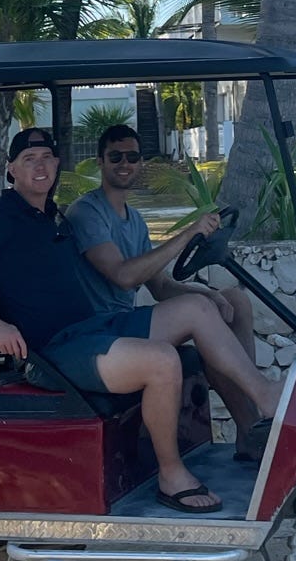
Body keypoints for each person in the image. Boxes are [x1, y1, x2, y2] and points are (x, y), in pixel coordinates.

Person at [0, 127, 279, 516]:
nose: (40, 166)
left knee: (200, 310)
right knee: (161, 360)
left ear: (58, 163)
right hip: (53, 350)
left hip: (92, 328)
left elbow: (158, 285)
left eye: (47, 157)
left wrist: (211, 293)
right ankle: (171, 474)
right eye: (29, 160)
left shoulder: (52, 216)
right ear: (11, 169)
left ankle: (262, 398)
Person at [67, 123, 265, 460]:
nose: (124, 164)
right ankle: (259, 406)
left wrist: (208, 295)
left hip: (124, 323)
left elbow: (159, 286)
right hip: (100, 329)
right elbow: (123, 276)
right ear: (100, 161)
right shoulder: (87, 213)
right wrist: (187, 235)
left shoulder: (135, 221)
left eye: (132, 156)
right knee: (198, 314)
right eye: (115, 156)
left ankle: (251, 425)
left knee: (233, 301)